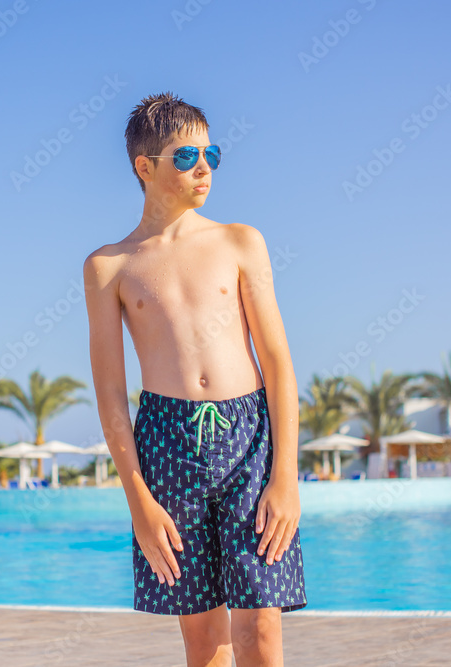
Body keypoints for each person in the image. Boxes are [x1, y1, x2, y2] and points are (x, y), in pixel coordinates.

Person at [84, 92, 306, 666]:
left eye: (211, 153)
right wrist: (138, 500)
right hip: (166, 439)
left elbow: (278, 363)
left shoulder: (239, 241)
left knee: (261, 630)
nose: (203, 166)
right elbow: (110, 391)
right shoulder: (110, 267)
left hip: (248, 438)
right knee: (204, 641)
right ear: (145, 167)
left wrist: (286, 477)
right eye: (185, 157)